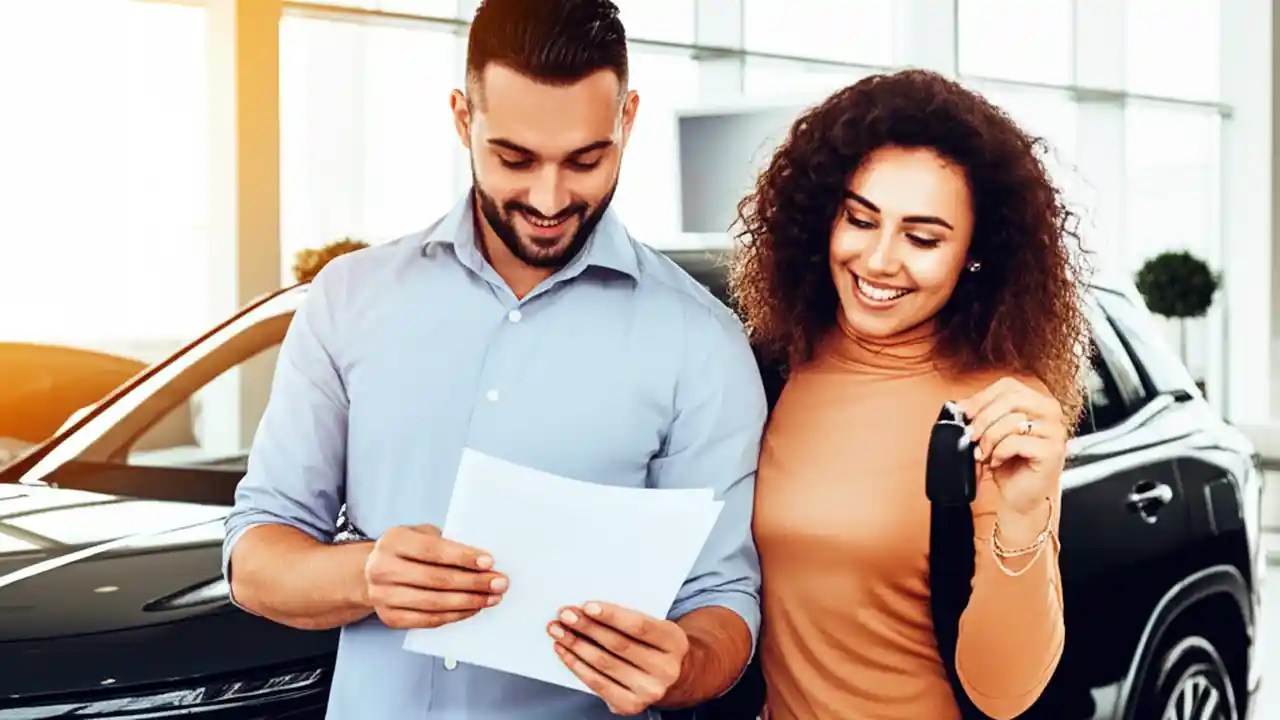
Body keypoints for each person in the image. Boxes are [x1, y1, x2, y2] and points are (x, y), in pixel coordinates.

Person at [221, 1, 767, 717]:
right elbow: (258, 552)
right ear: (461, 119)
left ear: (627, 120)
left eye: (586, 159)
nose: (549, 197)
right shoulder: (349, 299)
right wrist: (366, 575)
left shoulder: (702, 342)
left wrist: (687, 663)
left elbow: (723, 599)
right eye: (514, 158)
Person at [728, 69, 1090, 720]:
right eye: (860, 220)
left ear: (974, 254)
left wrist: (1024, 513)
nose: (879, 260)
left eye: (922, 238)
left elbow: (1003, 694)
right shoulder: (772, 370)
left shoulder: (992, 410)